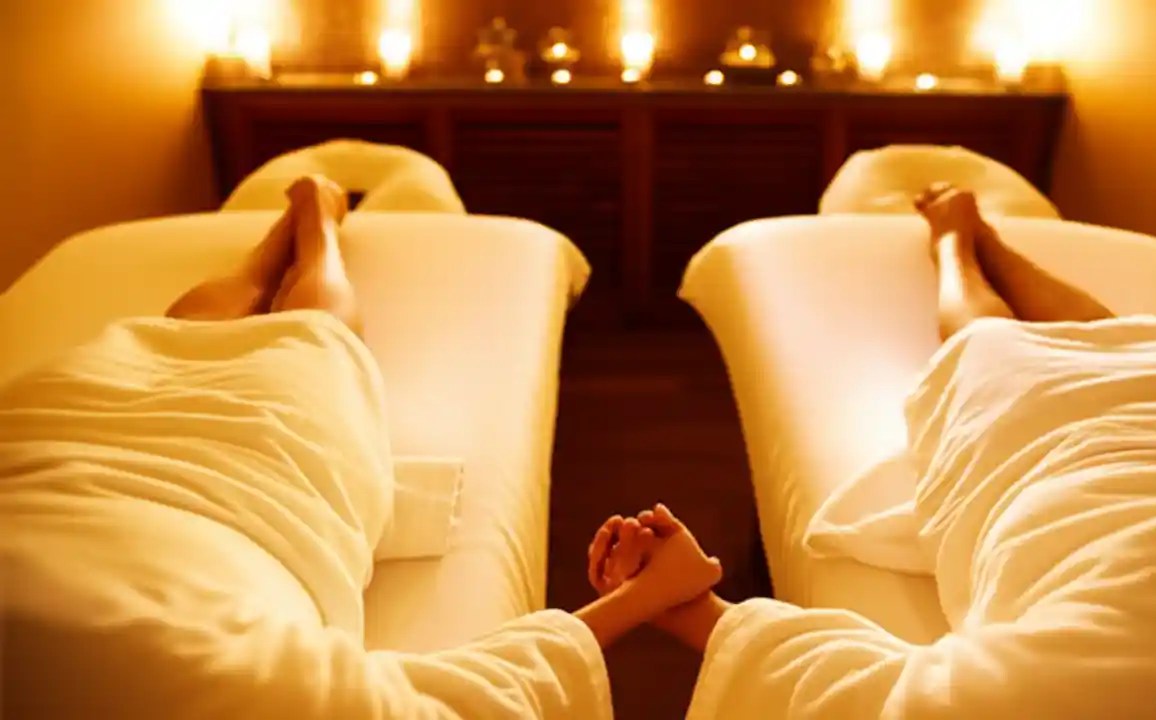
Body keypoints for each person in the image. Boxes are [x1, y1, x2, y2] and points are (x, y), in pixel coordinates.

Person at [0, 174, 708, 718]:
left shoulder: (222, 675)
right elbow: (472, 697)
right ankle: (309, 228)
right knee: (263, 338)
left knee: (251, 339)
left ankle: (305, 222)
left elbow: (487, 695)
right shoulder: (235, 680)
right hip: (145, 451)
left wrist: (650, 595)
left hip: (93, 456)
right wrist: (653, 594)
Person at [585, 186, 1156, 718]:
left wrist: (691, 610)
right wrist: (691, 609)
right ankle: (981, 239)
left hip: (1082, 457)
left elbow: (893, 699)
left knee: (998, 347)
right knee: (1143, 347)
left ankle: (957, 242)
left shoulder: (1133, 684)